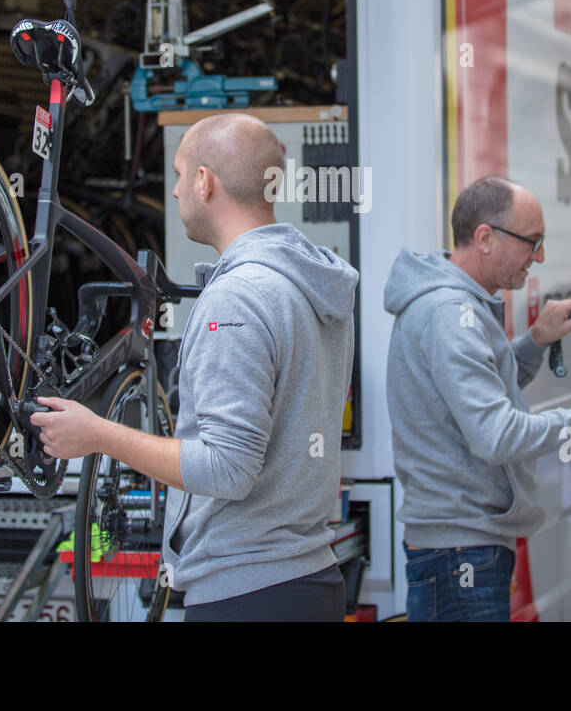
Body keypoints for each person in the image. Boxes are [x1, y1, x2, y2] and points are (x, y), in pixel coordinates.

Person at [32, 112, 358, 621]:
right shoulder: (312, 282)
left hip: (249, 594)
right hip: (305, 579)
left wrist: (98, 435)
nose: (178, 191)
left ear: (205, 182)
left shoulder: (239, 297)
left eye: (181, 175)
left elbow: (228, 469)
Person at [383, 176, 571, 622]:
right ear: (484, 237)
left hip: (462, 548)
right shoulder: (451, 315)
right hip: (461, 552)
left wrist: (535, 341)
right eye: (532, 242)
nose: (539, 257)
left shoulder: (459, 306)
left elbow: (480, 398)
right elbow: (497, 435)